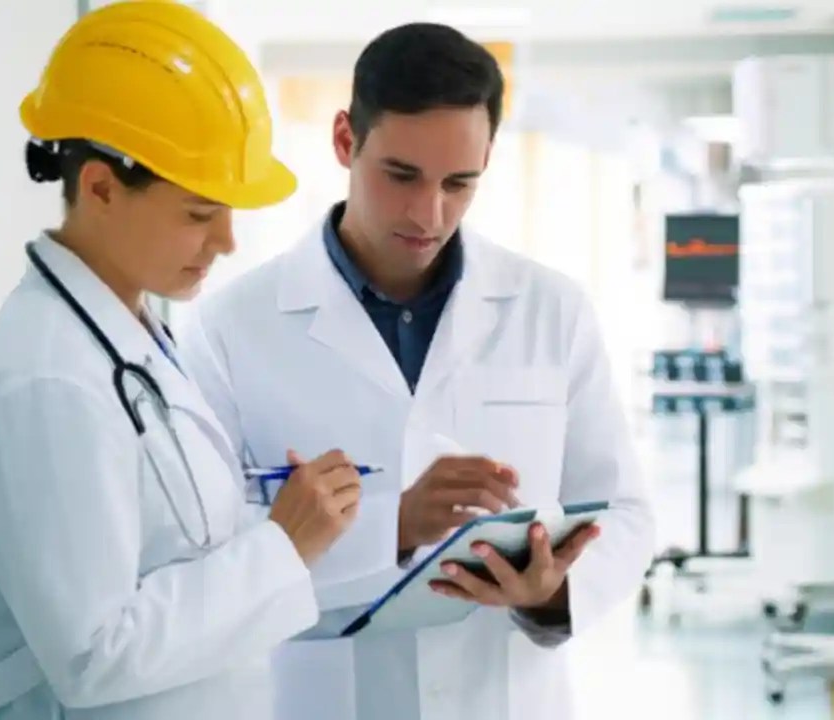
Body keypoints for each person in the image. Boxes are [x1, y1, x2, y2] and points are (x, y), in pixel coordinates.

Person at [178, 21, 656, 720]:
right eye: (401, 176)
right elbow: (208, 555)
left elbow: (624, 512)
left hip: (505, 697)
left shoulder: (550, 310)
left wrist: (549, 590)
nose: (429, 214)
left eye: (460, 183)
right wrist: (393, 525)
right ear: (345, 140)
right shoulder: (232, 326)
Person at [0, 3, 365, 718]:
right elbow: (95, 652)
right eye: (200, 215)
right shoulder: (46, 381)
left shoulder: (128, 337)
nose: (228, 241)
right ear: (101, 188)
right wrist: (280, 545)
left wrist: (267, 518)